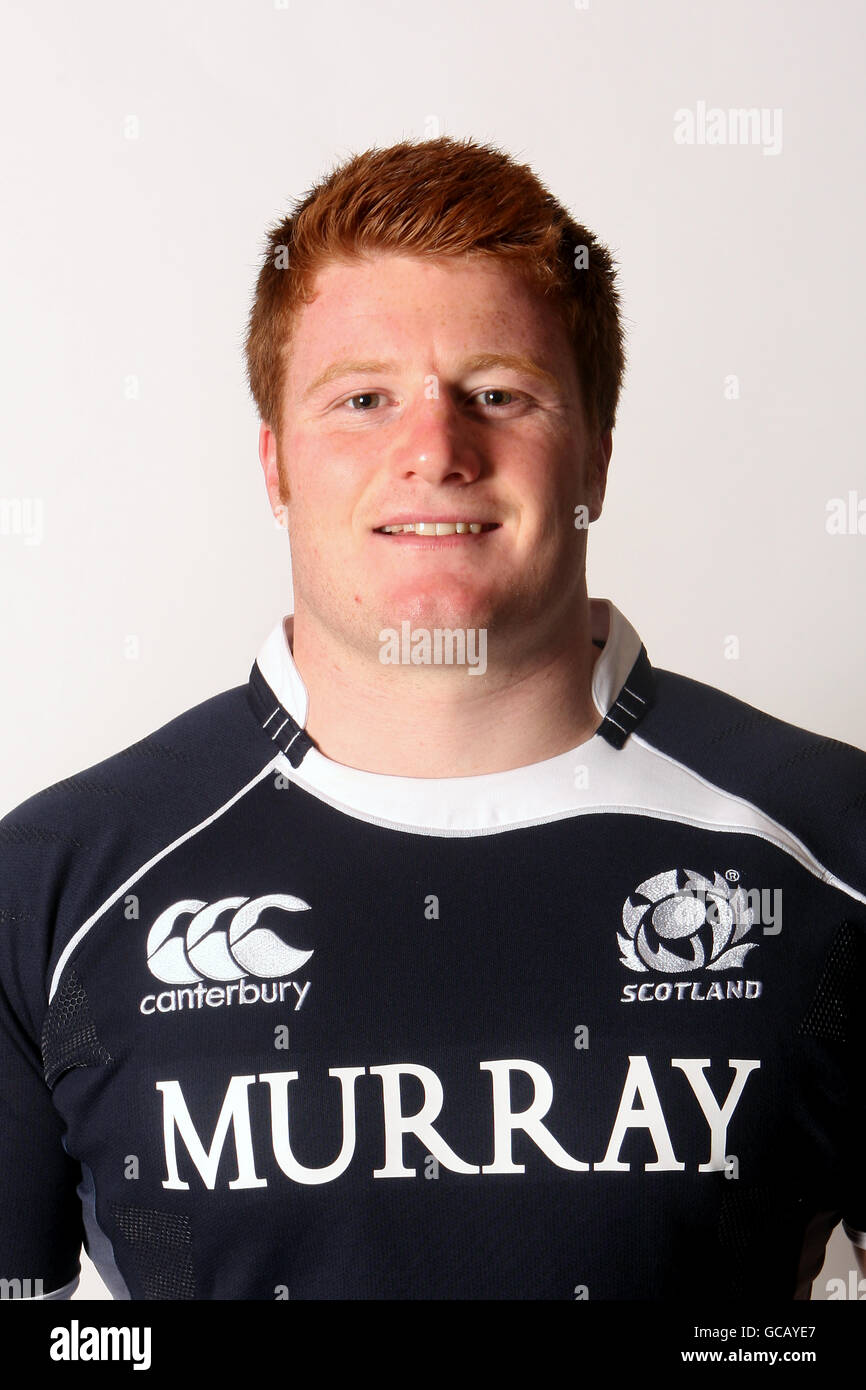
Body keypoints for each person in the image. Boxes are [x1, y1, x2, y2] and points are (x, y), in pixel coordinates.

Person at [1, 135, 863, 1302]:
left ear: (595, 455)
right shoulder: (55, 887)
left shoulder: (835, 848)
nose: (434, 452)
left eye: (497, 394)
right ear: (275, 467)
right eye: (362, 399)